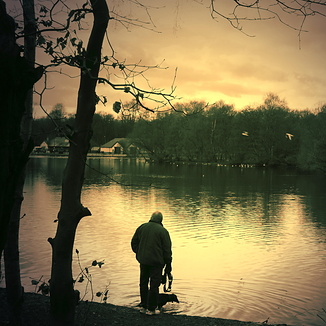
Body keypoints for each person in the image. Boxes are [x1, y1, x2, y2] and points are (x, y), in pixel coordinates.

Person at [131, 211, 172, 315]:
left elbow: (134, 242)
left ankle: (143, 306)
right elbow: (167, 250)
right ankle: (151, 309)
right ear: (161, 220)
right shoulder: (163, 231)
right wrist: (168, 264)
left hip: (143, 261)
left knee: (143, 283)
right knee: (154, 285)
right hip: (157, 263)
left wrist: (139, 252)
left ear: (151, 218)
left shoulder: (142, 227)